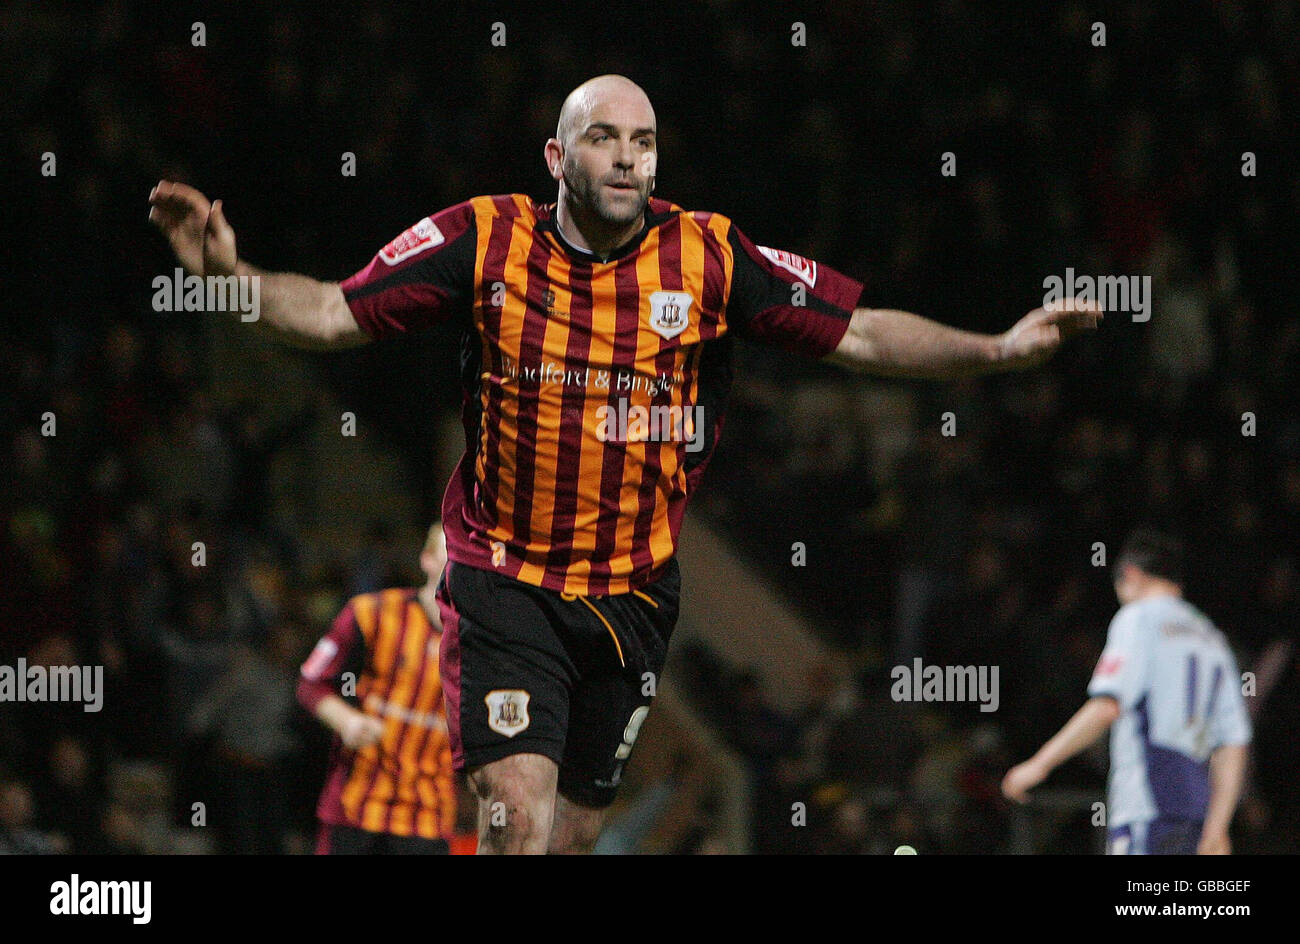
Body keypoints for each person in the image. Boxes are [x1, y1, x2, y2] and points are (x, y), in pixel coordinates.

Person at [149, 74, 1098, 854]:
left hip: (633, 601)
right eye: (604, 138)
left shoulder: (709, 257)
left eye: (641, 143)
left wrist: (999, 350)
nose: (627, 158)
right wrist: (229, 280)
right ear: (559, 157)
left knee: (568, 839)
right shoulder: (482, 239)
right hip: (505, 584)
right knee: (515, 821)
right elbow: (328, 314)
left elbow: (862, 337)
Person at [1001, 530, 1252, 854]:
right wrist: (1217, 827)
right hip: (1195, 810)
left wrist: (1039, 763)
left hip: (1148, 802)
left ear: (1130, 574)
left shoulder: (1138, 619)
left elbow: (1107, 706)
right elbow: (1233, 743)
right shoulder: (1212, 638)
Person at [297, 523, 457, 854]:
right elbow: (311, 683)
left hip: (428, 814)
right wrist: (347, 721)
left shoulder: (483, 644)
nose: (459, 564)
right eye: (449, 553)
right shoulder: (371, 613)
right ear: (427, 560)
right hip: (358, 802)